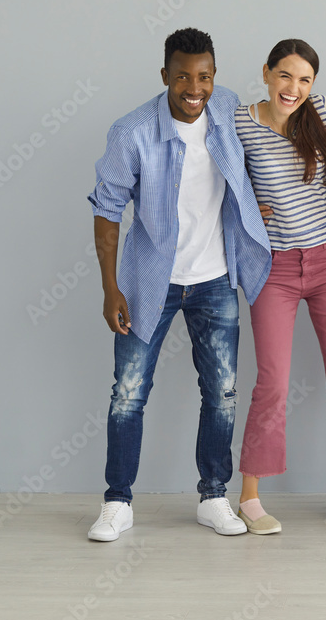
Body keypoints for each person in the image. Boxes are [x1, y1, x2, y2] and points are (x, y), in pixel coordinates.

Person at [87, 27, 272, 541]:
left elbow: (280, 118)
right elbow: (106, 209)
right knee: (128, 393)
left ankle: (214, 496)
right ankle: (117, 503)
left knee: (222, 393)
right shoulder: (132, 131)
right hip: (151, 280)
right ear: (164, 75)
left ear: (216, 77)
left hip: (216, 279)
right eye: (184, 76)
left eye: (206, 76)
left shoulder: (228, 109)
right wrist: (110, 287)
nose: (196, 87)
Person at [233, 39, 326, 535]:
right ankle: (249, 497)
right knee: (271, 382)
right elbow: (213, 181)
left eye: (305, 79)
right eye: (285, 76)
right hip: (274, 267)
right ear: (266, 72)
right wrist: (243, 205)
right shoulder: (238, 121)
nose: (294, 88)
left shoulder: (322, 111)